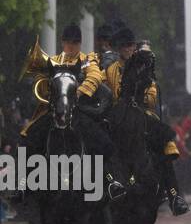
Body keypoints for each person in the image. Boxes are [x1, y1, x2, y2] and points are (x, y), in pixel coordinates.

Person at [20, 24, 125, 202]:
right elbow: (42, 83)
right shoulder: (53, 61)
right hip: (56, 111)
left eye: (75, 43)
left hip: (79, 111)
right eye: (68, 42)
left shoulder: (88, 60)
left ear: (80, 44)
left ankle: (110, 180)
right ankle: (22, 184)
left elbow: (95, 77)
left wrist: (77, 93)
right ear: (62, 42)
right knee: (29, 137)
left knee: (102, 141)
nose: (71, 46)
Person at [103, 26, 189, 215]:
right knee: (99, 142)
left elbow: (152, 96)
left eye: (131, 46)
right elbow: (107, 93)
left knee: (163, 142)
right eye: (124, 46)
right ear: (119, 48)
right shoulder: (110, 70)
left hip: (141, 113)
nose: (128, 49)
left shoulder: (144, 65)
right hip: (117, 114)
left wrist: (140, 91)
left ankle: (174, 195)